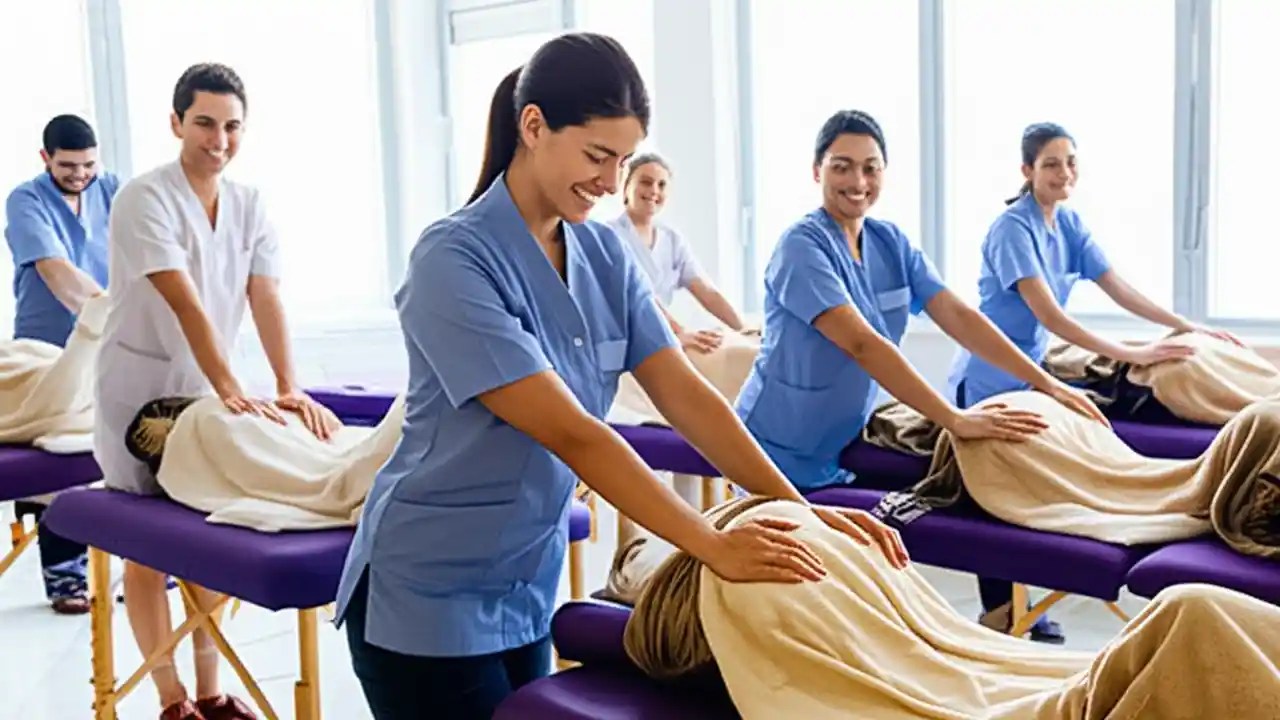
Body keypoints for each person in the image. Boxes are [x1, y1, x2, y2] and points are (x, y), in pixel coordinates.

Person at [333, 33, 907, 720]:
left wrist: (799, 509)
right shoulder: (452, 260)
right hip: (425, 590)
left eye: (625, 159)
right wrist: (712, 545)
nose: (611, 183)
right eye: (598, 156)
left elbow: (687, 395)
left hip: (523, 582)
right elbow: (576, 434)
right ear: (534, 125)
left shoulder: (603, 252)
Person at [94, 63, 336, 720]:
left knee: (205, 532)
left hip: (205, 391)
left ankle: (210, 689)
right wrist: (231, 389)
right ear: (176, 123)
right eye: (204, 123)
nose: (219, 139)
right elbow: (186, 304)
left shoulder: (251, 204)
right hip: (137, 390)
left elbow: (266, 296)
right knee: (146, 551)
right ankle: (172, 700)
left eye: (232, 126)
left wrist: (288, 388)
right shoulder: (145, 198)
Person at [948, 121, 1241, 644]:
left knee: (1029, 490)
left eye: (1070, 162)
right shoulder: (1012, 229)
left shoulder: (1069, 224)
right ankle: (999, 612)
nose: (1064, 173)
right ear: (1027, 171)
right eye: (1052, 164)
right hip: (991, 378)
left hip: (1032, 373)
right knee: (996, 496)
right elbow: (1049, 313)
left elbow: (1117, 286)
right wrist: (1134, 351)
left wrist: (1186, 325)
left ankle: (1021, 608)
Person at [4, 114, 119, 614]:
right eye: (69, 166)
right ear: (45, 158)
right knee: (62, 453)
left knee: (118, 447)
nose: (80, 174)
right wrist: (113, 316)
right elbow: (57, 272)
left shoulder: (112, 189)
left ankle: (136, 563)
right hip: (48, 345)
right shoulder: (26, 200)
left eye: (89, 164)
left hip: (111, 339)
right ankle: (65, 576)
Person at [606, 153, 745, 353]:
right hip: (624, 341)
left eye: (661, 185)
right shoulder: (608, 236)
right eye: (645, 182)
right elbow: (639, 296)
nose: (654, 191)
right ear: (626, 187)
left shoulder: (671, 239)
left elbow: (706, 291)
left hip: (661, 337)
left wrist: (742, 329)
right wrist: (677, 332)